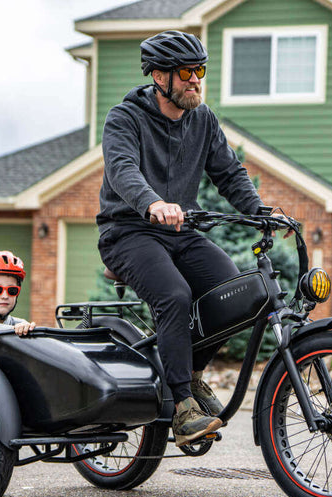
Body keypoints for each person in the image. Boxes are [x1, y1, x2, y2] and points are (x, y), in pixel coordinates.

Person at [96, 30, 266, 446]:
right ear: (159, 76)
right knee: (173, 295)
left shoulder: (202, 119)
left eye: (200, 70)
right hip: (128, 231)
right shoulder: (125, 118)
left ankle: (189, 374)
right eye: (187, 71)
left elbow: (228, 172)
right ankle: (182, 406)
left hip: (180, 232)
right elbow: (122, 170)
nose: (196, 80)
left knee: (234, 293)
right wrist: (152, 202)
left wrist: (261, 213)